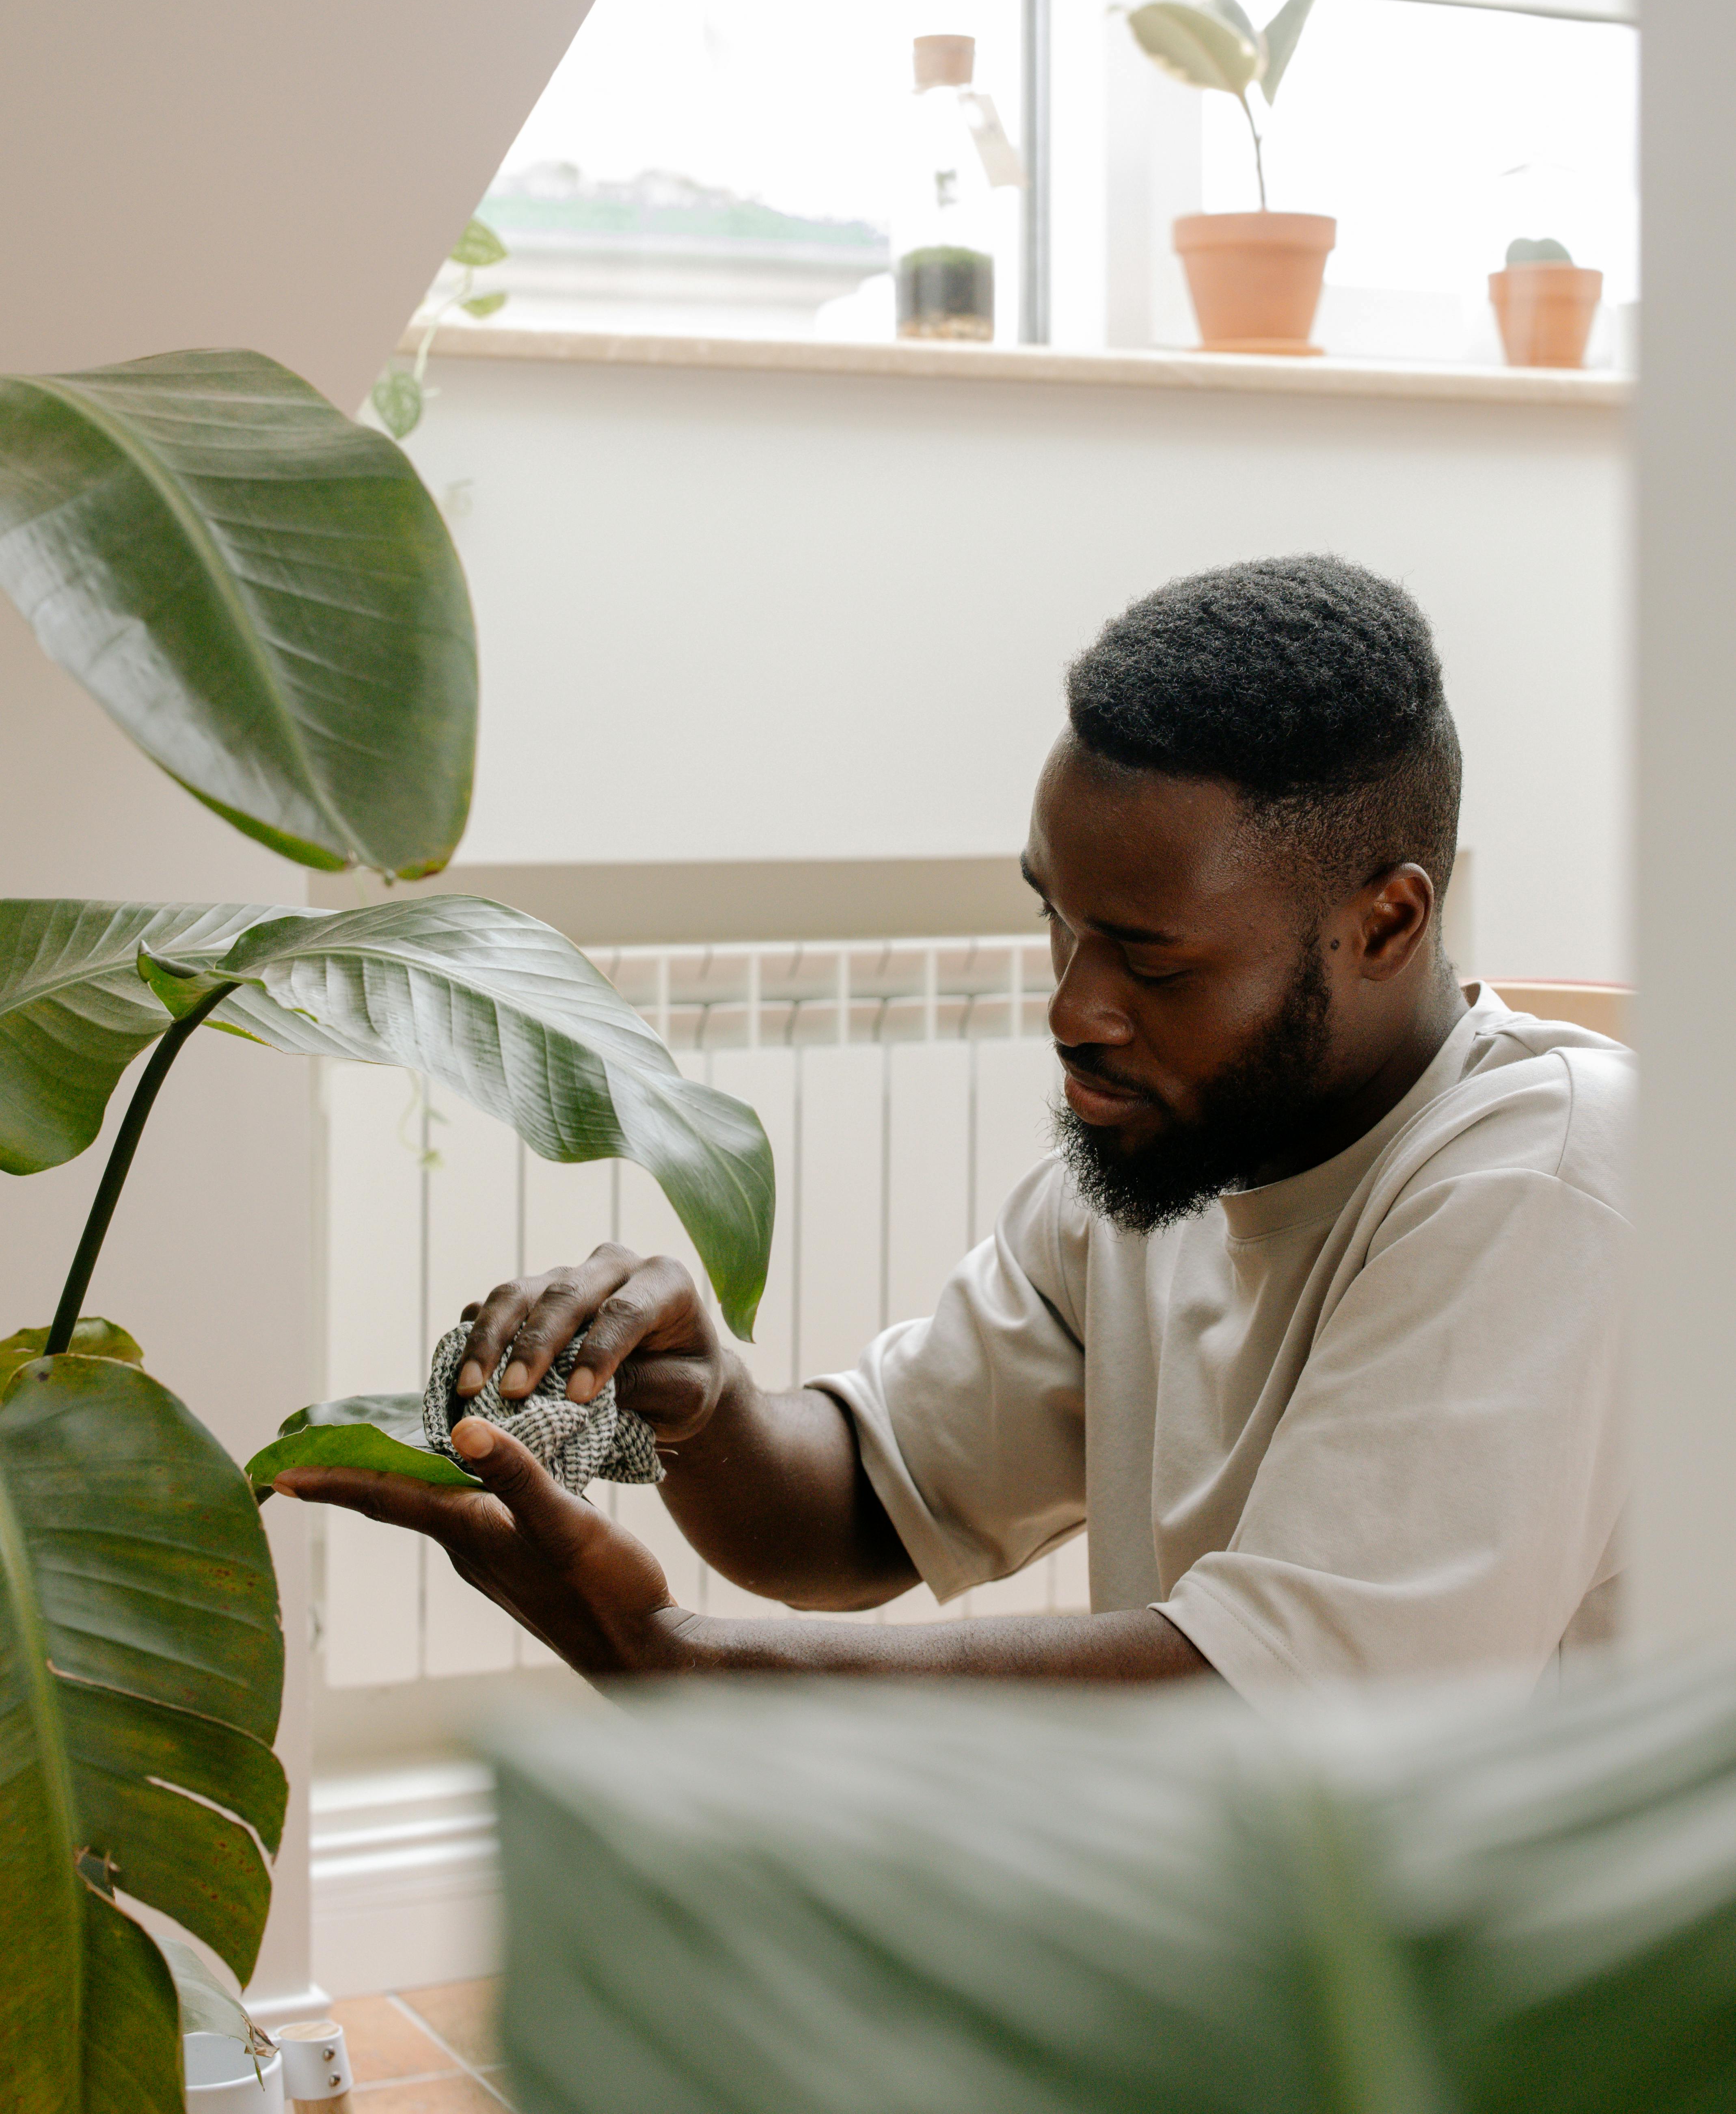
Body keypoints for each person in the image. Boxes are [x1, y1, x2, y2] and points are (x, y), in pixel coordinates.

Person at [276, 555, 1630, 1705]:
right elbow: (865, 1506)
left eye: (1151, 961)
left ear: (1385, 922)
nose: (1072, 1005)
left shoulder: (1551, 1181)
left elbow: (1267, 1711)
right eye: (1056, 916)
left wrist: (674, 1663)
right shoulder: (1152, 1171)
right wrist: (701, 1399)